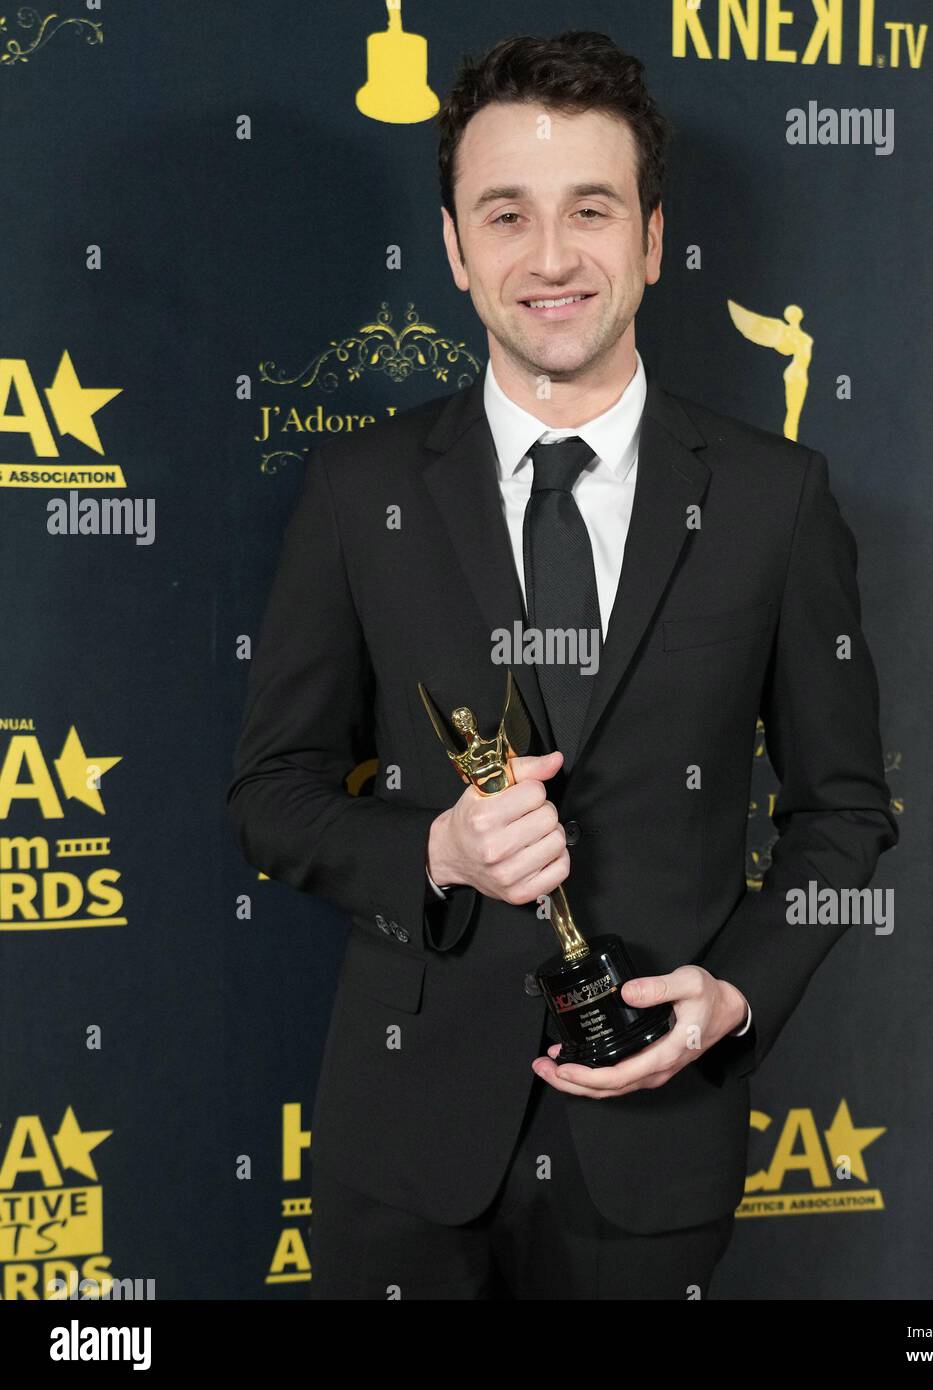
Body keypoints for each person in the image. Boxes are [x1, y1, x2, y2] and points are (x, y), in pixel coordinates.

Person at [227, 29, 898, 1300]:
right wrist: (436, 851)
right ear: (454, 248)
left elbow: (845, 810)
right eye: (505, 214)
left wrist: (734, 998)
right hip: (402, 1155)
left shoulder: (775, 501)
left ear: (650, 239)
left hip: (652, 1155)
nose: (548, 258)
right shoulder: (355, 490)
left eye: (589, 210)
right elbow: (272, 794)